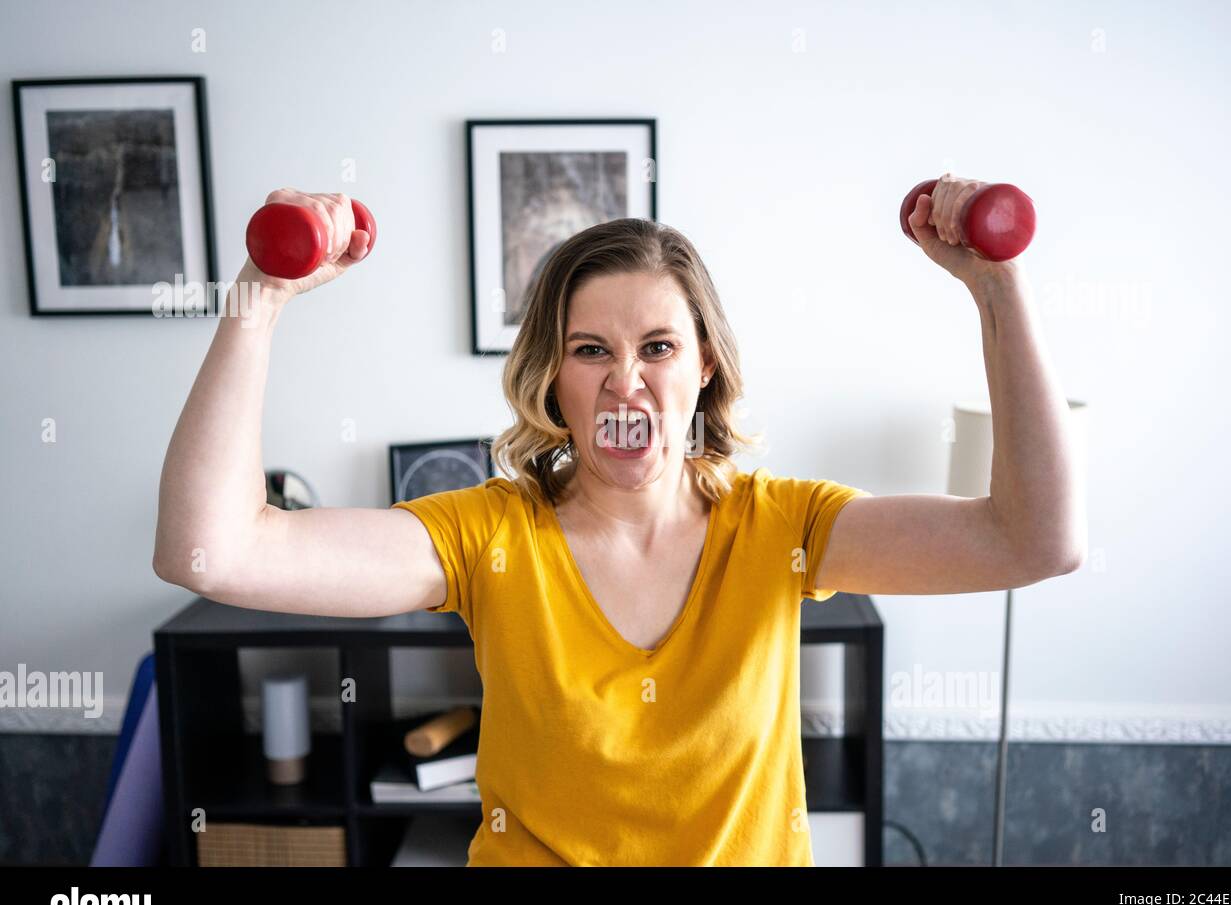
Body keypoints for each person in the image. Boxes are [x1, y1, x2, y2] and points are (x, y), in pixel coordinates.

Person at [153, 177, 1085, 865]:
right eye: (590, 349)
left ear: (706, 365)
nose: (626, 380)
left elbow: (1033, 538)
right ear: (553, 378)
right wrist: (259, 297)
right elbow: (214, 551)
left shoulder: (785, 526)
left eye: (658, 347)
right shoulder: (490, 535)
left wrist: (998, 286)